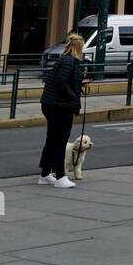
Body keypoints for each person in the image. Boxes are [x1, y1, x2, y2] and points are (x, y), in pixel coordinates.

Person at [38, 33, 87, 188]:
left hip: (51, 104)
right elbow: (61, 81)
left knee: (52, 139)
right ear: (78, 47)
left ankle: (45, 174)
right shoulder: (69, 61)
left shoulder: (64, 59)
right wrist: (73, 96)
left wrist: (79, 84)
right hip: (60, 106)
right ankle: (60, 177)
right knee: (59, 140)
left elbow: (63, 80)